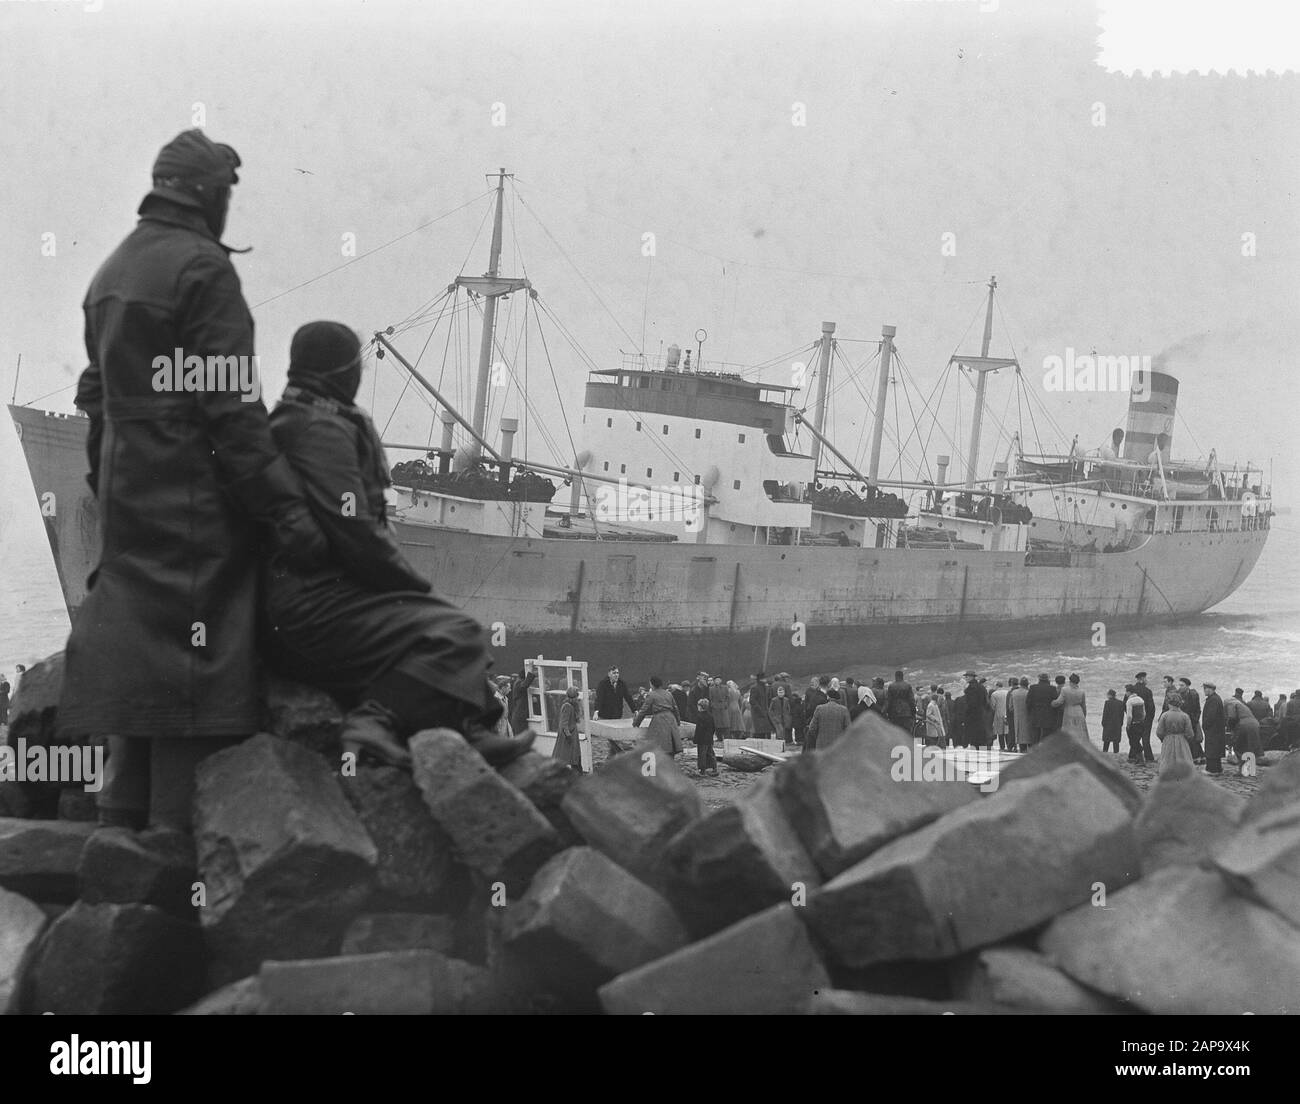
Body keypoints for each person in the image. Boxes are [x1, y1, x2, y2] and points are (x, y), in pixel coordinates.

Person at [59, 130, 333, 832]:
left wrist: (112, 480)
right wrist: (286, 514)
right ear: (208, 194)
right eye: (227, 194)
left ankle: (116, 858)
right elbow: (235, 414)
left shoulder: (112, 273)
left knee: (137, 679)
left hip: (131, 505)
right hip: (196, 514)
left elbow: (96, 403)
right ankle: (180, 869)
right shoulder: (203, 272)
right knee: (196, 689)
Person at [260, 322, 533, 769]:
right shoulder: (319, 429)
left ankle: (468, 728)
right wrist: (417, 586)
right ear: (343, 370)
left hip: (306, 596)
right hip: (311, 604)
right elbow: (356, 533)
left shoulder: (299, 418)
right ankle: (374, 720)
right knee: (458, 632)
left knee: (448, 631)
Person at [632, 675, 682, 755]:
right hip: (671, 719)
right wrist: (678, 722)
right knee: (671, 746)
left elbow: (643, 711)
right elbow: (676, 709)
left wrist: (636, 723)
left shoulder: (651, 695)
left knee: (660, 746)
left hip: (660, 720)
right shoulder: (668, 694)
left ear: (652, 684)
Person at [1155, 692, 1195, 775]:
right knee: (1183, 759)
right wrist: (1185, 739)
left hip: (1168, 740)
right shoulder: (1185, 716)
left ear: (1169, 703)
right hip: (1182, 740)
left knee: (1167, 760)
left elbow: (1159, 732)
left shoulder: (1164, 715)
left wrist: (1163, 738)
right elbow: (1190, 733)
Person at [805, 688, 850, 752]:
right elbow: (848, 729)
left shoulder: (819, 708)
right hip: (838, 745)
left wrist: (818, 737)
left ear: (828, 697)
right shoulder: (844, 710)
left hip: (821, 744)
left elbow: (812, 728)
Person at [1223, 693, 1260, 771]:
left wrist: (1230, 728)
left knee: (1239, 747)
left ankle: (1242, 770)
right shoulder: (1241, 704)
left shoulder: (1230, 704)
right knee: (1249, 747)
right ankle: (1250, 770)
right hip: (1255, 724)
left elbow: (1232, 718)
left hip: (1244, 725)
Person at [552, 686, 584, 772]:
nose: (578, 698)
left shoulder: (573, 705)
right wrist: (568, 735)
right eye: (576, 696)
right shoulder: (567, 706)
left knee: (575, 757)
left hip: (572, 734)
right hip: (568, 736)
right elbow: (564, 723)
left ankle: (577, 774)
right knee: (568, 757)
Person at [1052, 673, 1089, 742]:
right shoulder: (1082, 691)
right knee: (1080, 733)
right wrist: (1084, 715)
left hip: (1069, 711)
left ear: (1070, 681)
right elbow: (1083, 705)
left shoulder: (1065, 690)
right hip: (1079, 712)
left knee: (1069, 732)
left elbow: (1059, 702)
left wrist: (1052, 703)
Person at [1201, 683, 1227, 775]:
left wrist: (1205, 726)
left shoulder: (1213, 700)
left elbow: (1211, 716)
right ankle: (1217, 769)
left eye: (1205, 689)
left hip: (1213, 730)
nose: (1204, 690)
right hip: (1216, 729)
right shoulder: (1215, 698)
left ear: (1210, 689)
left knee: (1212, 749)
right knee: (1215, 749)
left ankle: (1212, 770)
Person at [1178, 677, 1205, 762]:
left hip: (1192, 720)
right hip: (1182, 720)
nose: (1180, 687)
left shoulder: (1193, 694)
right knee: (1190, 739)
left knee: (1194, 739)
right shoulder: (1179, 694)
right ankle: (1198, 756)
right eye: (1179, 685)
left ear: (1187, 686)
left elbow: (1198, 709)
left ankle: (1197, 757)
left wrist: (1195, 719)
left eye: (1182, 685)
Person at [1026, 673, 1057, 747]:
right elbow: (1055, 701)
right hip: (1048, 714)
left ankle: (1034, 751)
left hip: (1035, 714)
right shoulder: (1052, 688)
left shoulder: (1033, 687)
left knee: (1035, 735)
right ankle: (1045, 751)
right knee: (1046, 735)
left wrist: (1030, 712)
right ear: (1048, 679)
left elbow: (1028, 702)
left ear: (1039, 679)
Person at [1125, 683, 1153, 763]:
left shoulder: (1129, 701)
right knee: (1136, 740)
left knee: (1133, 741)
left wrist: (1128, 725)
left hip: (1133, 723)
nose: (1126, 694)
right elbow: (1144, 713)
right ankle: (1139, 758)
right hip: (1141, 723)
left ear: (1129, 692)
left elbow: (1129, 715)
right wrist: (1142, 720)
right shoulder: (1141, 699)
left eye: (1126, 692)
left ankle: (1140, 758)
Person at [884, 669, 917, 734]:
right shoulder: (907, 686)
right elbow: (911, 700)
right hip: (906, 713)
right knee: (907, 733)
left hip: (894, 713)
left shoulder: (891, 686)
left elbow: (888, 701)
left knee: (895, 733)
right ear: (902, 676)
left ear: (896, 676)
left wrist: (887, 712)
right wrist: (913, 711)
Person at [963, 672, 990, 749]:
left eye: (967, 676)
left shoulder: (970, 689)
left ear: (972, 677)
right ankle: (984, 755)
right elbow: (986, 702)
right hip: (982, 715)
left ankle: (975, 756)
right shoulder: (982, 687)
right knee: (982, 737)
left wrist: (966, 715)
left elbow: (970, 704)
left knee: (974, 739)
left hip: (973, 717)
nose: (966, 678)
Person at [507, 667, 537, 735]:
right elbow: (524, 686)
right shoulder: (518, 683)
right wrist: (531, 673)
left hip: (519, 715)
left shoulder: (518, 681)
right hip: (519, 716)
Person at [1133, 673, 1156, 758]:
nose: (1147, 680)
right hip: (1146, 719)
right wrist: (1150, 718)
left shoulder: (1132, 690)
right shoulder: (1148, 691)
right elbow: (1151, 707)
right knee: (1145, 739)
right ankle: (1148, 756)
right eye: (1146, 678)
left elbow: (1125, 704)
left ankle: (1133, 755)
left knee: (1134, 738)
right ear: (1142, 679)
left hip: (1134, 718)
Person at [694, 697, 717, 776]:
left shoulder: (699, 716)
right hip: (709, 738)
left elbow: (699, 729)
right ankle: (714, 768)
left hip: (702, 739)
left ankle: (702, 770)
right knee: (710, 753)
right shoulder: (710, 715)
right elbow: (714, 727)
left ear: (700, 706)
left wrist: (695, 739)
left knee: (702, 754)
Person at [749, 673, 774, 737]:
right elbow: (752, 700)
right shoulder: (755, 688)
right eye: (764, 678)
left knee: (767, 731)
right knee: (759, 732)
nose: (765, 680)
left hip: (765, 712)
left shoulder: (765, 688)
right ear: (760, 679)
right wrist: (759, 709)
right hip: (758, 713)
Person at [1010, 677, 1030, 752]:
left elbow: (1010, 707)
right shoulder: (1028, 692)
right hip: (1028, 719)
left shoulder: (1013, 693)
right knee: (1029, 738)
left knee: (1020, 738)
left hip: (1017, 719)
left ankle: (1022, 752)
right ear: (1027, 685)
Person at [991, 680, 1010, 752]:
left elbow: (993, 706)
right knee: (1007, 731)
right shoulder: (1007, 692)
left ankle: (1002, 747)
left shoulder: (994, 694)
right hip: (1006, 714)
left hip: (998, 714)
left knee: (1000, 732)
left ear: (997, 686)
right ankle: (1009, 746)